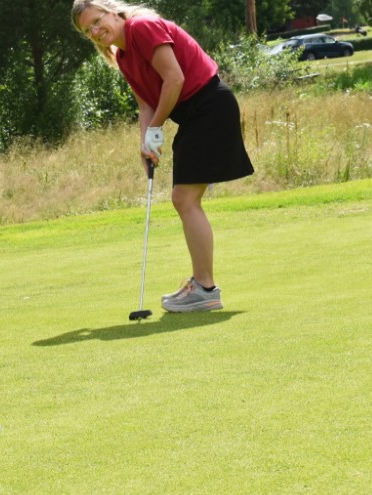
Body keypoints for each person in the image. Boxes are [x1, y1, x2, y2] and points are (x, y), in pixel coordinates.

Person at [71, 0, 254, 313]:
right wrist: (146, 142)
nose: (96, 31)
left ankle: (205, 288)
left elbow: (175, 79)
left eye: (97, 21)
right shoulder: (124, 57)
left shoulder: (142, 27)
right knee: (183, 199)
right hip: (196, 115)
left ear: (112, 11)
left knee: (184, 199)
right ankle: (202, 285)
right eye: (88, 31)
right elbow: (146, 106)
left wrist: (156, 129)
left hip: (210, 106)